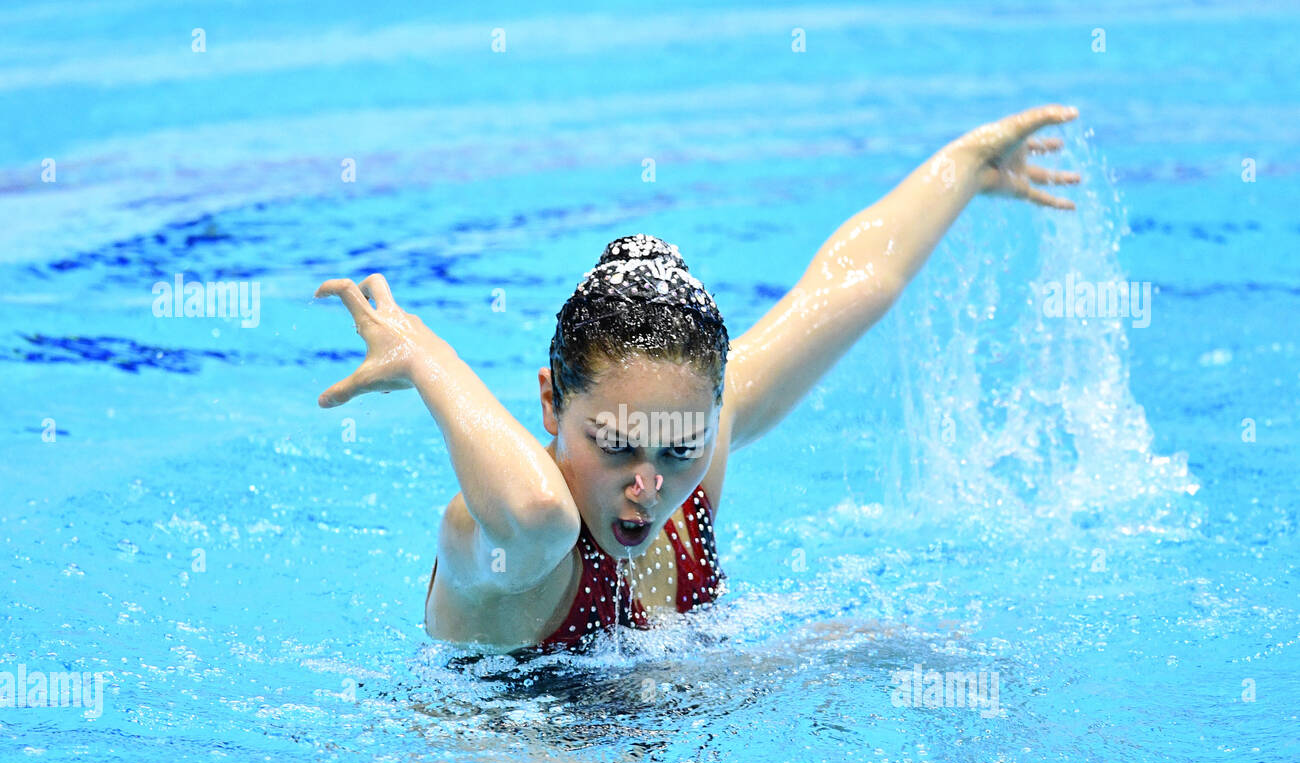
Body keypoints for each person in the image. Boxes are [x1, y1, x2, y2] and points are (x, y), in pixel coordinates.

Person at [314, 104, 1082, 653]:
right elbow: (536, 511)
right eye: (616, 446)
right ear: (550, 401)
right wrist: (427, 359)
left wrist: (967, 165)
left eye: (681, 448)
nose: (650, 486)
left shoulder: (689, 452)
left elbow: (849, 287)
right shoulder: (509, 545)